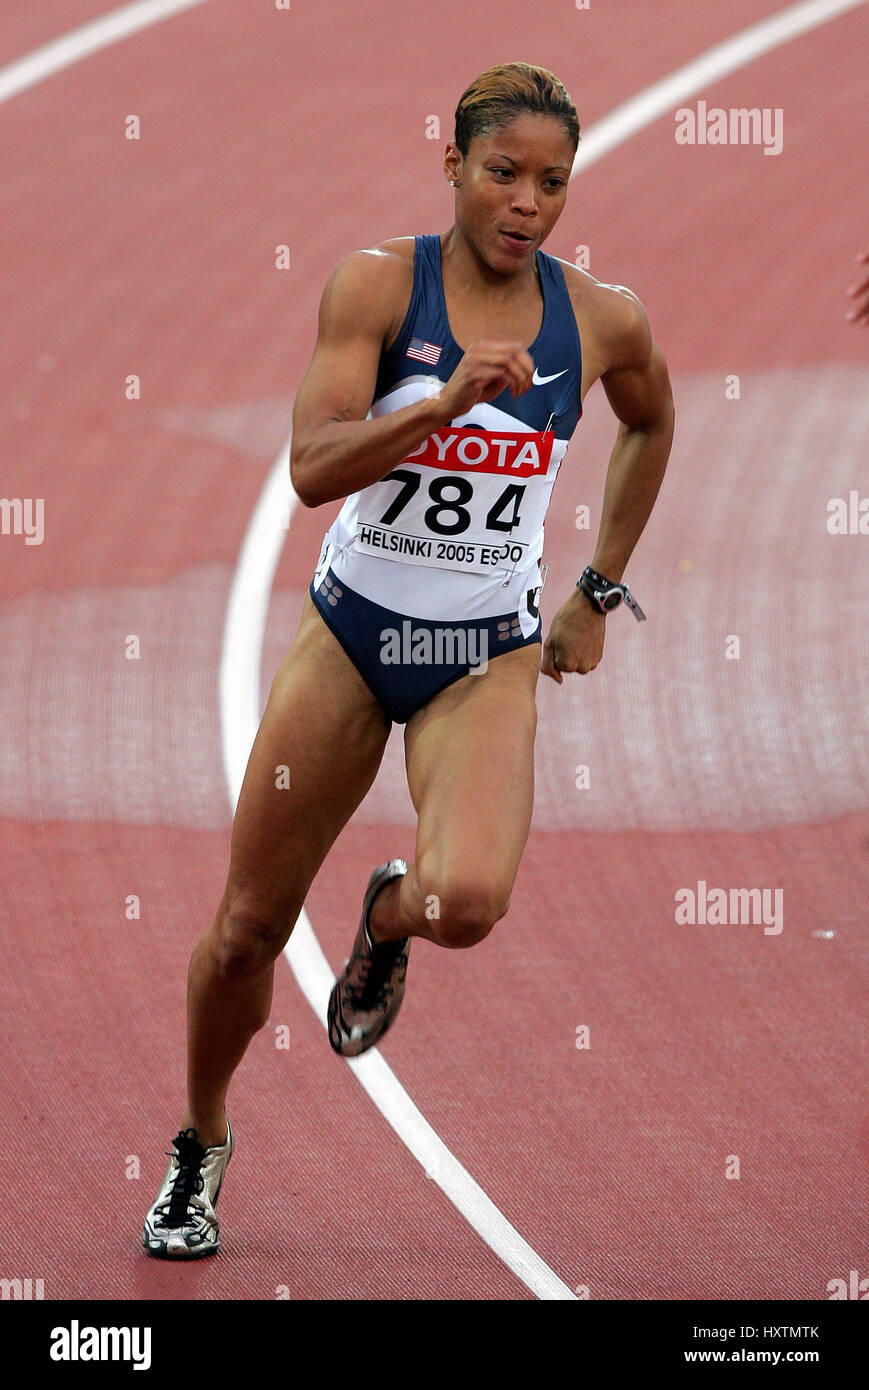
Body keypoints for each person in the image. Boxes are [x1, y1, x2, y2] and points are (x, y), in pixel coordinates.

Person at [142, 60, 675, 1259]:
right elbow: (311, 466)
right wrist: (433, 405)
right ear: (450, 164)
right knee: (245, 929)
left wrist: (594, 588)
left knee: (469, 903)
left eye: (551, 182)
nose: (526, 203)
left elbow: (650, 419)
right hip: (351, 632)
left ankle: (387, 915)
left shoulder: (598, 319)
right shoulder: (380, 288)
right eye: (502, 174)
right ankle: (199, 1140)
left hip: (480, 652)